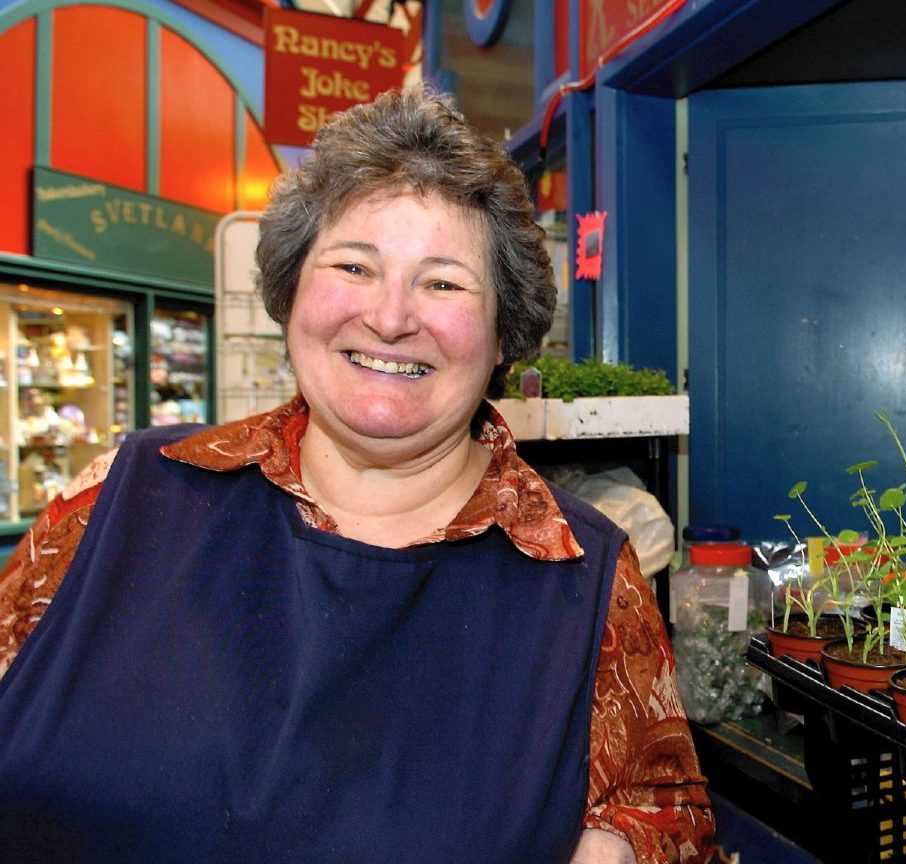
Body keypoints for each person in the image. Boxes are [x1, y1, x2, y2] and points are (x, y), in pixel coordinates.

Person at [0, 88, 713, 863]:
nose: (389, 316)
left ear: (505, 334)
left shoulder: (586, 578)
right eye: (353, 265)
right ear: (291, 292)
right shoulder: (122, 494)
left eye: (443, 282)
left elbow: (660, 813)